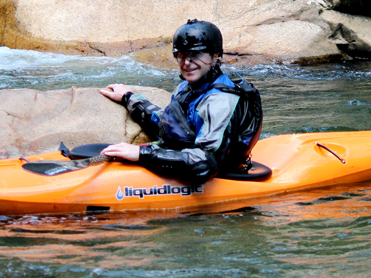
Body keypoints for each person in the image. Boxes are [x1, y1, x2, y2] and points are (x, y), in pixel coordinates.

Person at [99, 19, 255, 184]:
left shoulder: (220, 101)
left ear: (215, 56)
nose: (187, 63)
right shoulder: (186, 87)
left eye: (195, 55)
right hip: (188, 154)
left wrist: (141, 154)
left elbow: (205, 164)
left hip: (217, 171)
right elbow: (170, 125)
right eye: (181, 55)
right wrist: (129, 98)